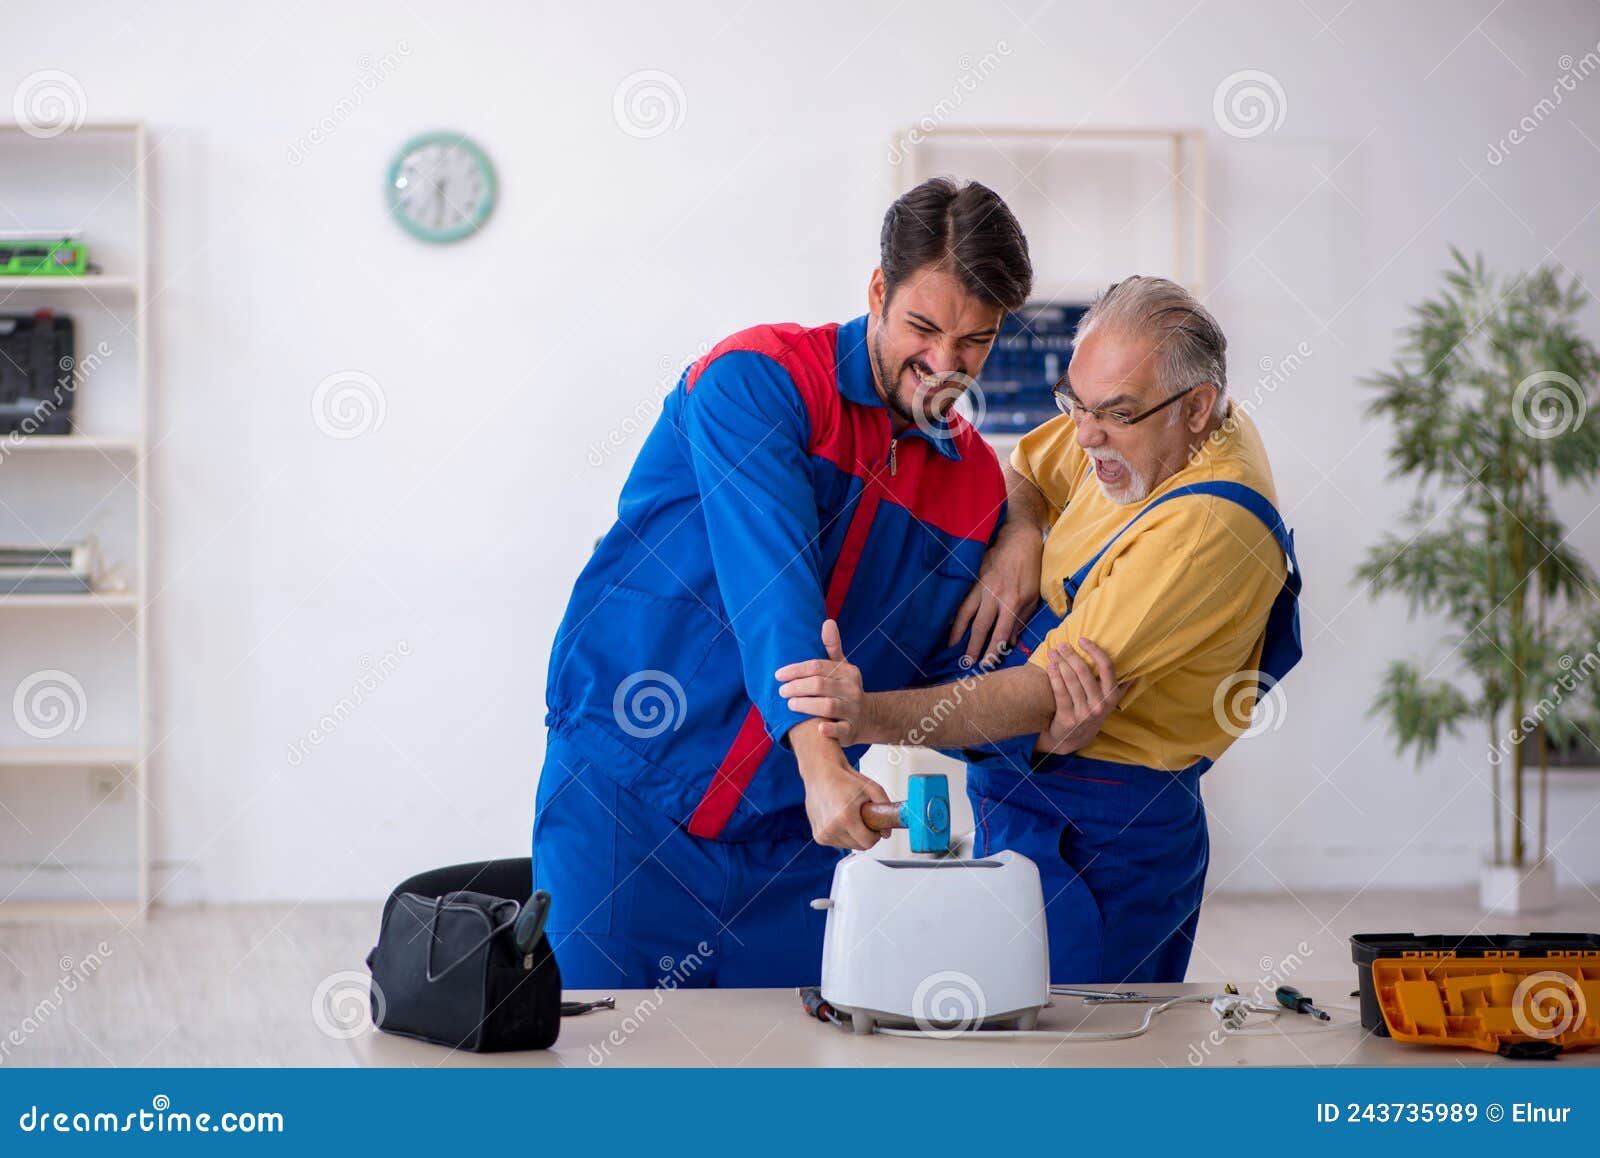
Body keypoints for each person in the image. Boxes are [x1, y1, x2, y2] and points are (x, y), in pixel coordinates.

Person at [534, 178, 1044, 987]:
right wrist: (820, 763)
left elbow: (954, 669)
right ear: (877, 291)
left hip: (795, 842)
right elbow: (773, 588)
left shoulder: (976, 486)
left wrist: (1051, 681)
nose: (943, 367)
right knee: (600, 1077)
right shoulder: (758, 380)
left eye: (974, 343)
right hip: (627, 801)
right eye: (922, 327)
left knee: (789, 1084)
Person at [777, 276, 1305, 984]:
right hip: (1026, 783)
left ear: (1197, 408)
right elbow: (1030, 464)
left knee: (1085, 1055)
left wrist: (865, 717)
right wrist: (1022, 533)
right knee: (1012, 1025)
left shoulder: (1206, 527)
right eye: (1075, 404)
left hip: (1108, 824)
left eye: (1112, 415)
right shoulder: (1144, 427)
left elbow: (1040, 697)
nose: (1086, 435)